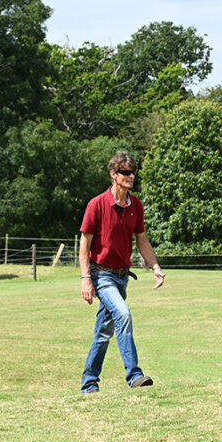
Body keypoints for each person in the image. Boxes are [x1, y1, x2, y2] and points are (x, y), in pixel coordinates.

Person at [78, 151, 166, 393]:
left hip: (122, 277)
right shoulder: (96, 205)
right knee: (124, 315)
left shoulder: (136, 205)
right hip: (101, 275)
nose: (131, 176)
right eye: (126, 172)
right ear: (113, 175)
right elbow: (84, 244)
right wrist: (86, 279)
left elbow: (142, 241)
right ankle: (134, 375)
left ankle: (89, 383)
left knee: (104, 332)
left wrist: (155, 268)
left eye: (133, 172)